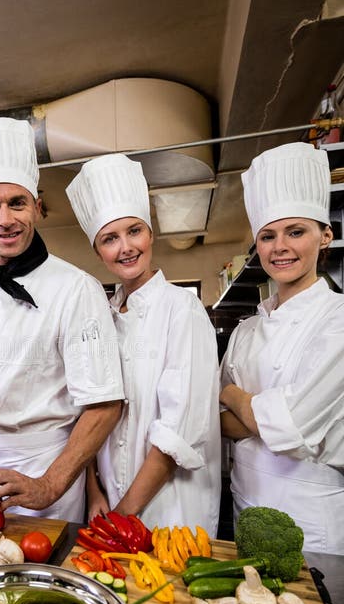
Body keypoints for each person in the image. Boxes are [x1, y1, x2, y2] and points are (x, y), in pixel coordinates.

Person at [0, 117, 124, 521]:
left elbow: (105, 406)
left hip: (52, 465)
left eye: (17, 203)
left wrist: (50, 485)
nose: (5, 220)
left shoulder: (76, 288)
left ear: (37, 207)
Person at [66, 152, 221, 535]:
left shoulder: (182, 309)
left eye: (134, 231)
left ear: (151, 233)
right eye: (110, 239)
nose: (125, 248)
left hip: (169, 506)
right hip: (108, 504)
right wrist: (94, 492)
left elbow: (176, 434)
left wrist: (122, 516)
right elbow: (84, 409)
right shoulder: (98, 316)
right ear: (97, 250)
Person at [219, 142, 344, 554]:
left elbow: (290, 427)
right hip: (246, 504)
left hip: (311, 514)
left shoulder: (337, 319)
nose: (280, 247)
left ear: (325, 235)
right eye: (268, 236)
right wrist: (261, 415)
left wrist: (232, 395)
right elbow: (217, 422)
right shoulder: (247, 329)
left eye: (296, 232)